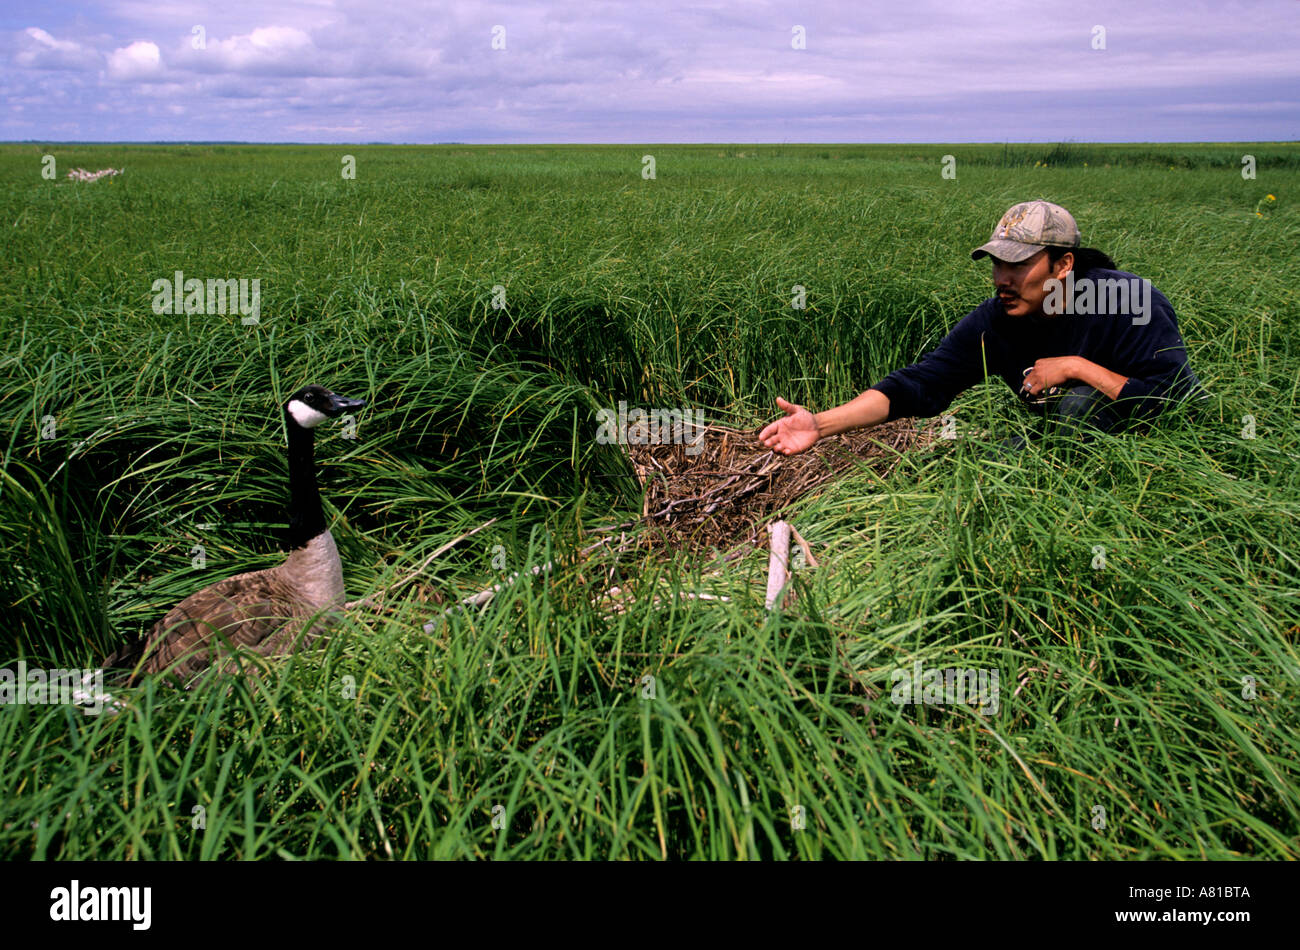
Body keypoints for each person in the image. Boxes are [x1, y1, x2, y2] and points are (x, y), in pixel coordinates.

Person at [759, 199, 1208, 456]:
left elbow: (1175, 400)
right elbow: (922, 383)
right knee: (964, 463)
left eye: (1018, 264)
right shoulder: (1000, 319)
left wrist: (1076, 366)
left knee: (1077, 402)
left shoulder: (1126, 300)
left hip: (1154, 446)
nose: (1001, 279)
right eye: (997, 263)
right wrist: (819, 423)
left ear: (1064, 264)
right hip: (1060, 445)